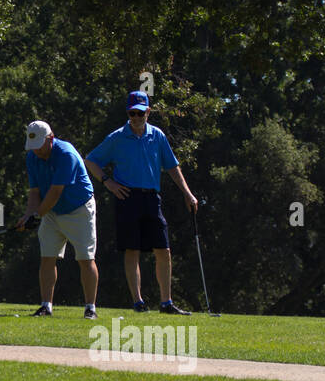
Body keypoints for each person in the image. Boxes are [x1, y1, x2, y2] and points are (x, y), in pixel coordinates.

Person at [84, 91, 196, 315]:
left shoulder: (157, 135)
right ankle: (138, 302)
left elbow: (172, 166)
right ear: (128, 113)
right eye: (132, 113)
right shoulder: (117, 137)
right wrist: (108, 183)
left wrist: (187, 193)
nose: (136, 117)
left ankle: (166, 303)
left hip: (152, 197)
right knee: (132, 250)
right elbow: (91, 161)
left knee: (163, 250)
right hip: (127, 198)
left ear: (148, 112)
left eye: (140, 113)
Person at [16, 120, 100, 319]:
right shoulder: (32, 157)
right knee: (47, 257)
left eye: (39, 147)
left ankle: (90, 308)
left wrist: (37, 216)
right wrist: (28, 215)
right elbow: (35, 192)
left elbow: (55, 192)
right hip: (52, 213)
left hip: (79, 209)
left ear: (50, 138)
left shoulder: (66, 154)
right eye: (32, 148)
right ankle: (46, 306)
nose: (36, 152)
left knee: (85, 259)